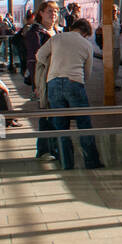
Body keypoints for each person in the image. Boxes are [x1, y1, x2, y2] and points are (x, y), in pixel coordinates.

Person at [35, 18, 103, 170]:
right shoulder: (86, 44)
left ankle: (67, 164)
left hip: (53, 83)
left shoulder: (57, 38)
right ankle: (92, 162)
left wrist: (53, 65)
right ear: (85, 33)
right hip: (74, 82)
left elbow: (39, 56)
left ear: (73, 27)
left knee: (61, 126)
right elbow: (87, 72)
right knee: (84, 124)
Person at [24, 1, 58, 160]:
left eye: (56, 11)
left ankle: (53, 148)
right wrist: (35, 84)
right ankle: (45, 150)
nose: (53, 14)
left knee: (55, 114)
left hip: (58, 77)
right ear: (41, 13)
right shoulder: (35, 33)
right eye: (50, 11)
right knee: (46, 114)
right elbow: (33, 60)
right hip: (44, 78)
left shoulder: (57, 31)